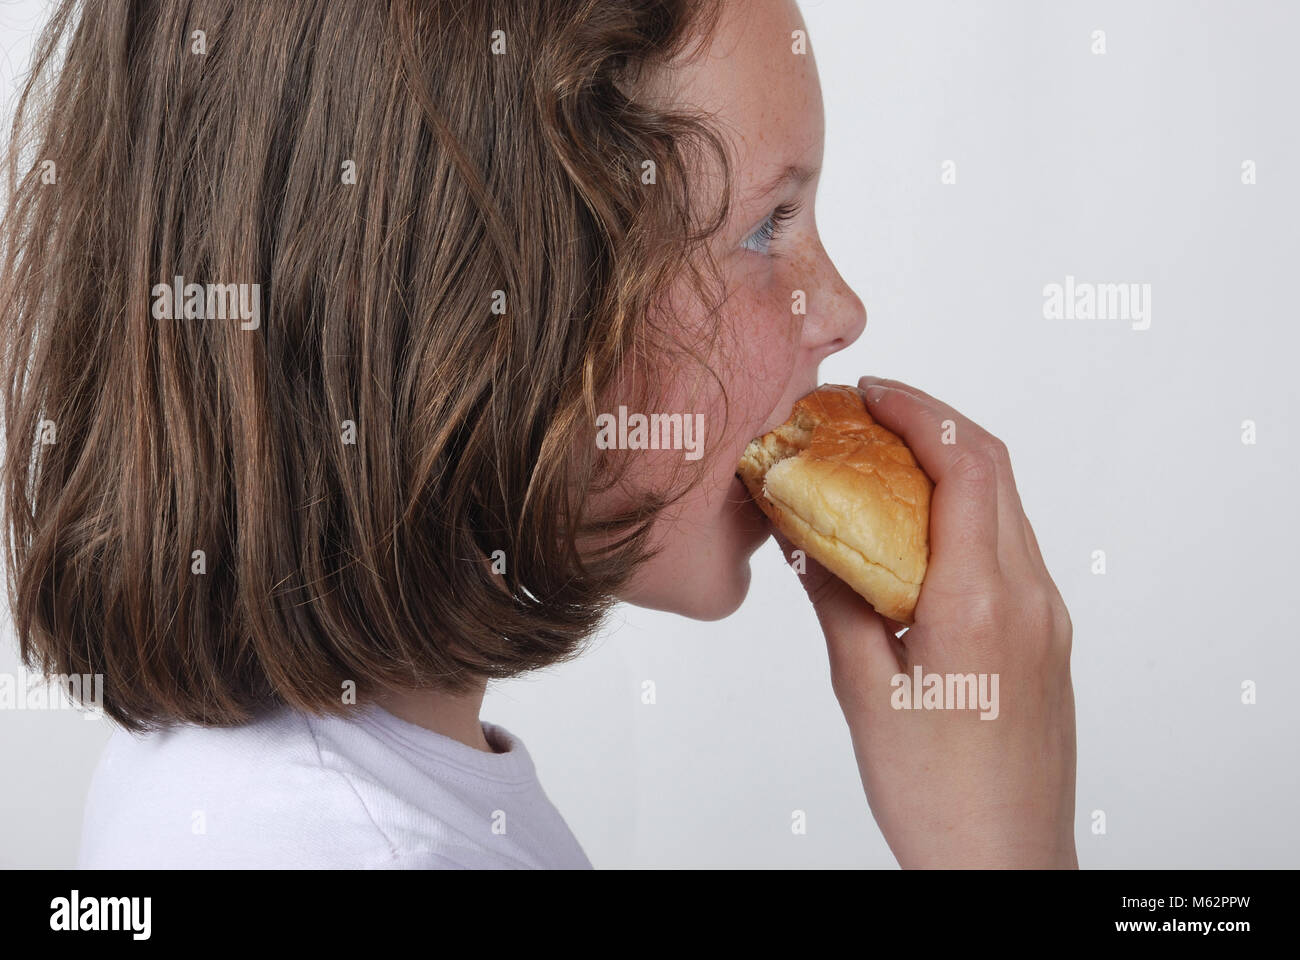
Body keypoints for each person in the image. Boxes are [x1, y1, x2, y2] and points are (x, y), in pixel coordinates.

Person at [0, 0, 1076, 868]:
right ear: (471, 310)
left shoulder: (289, 788)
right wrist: (1003, 853)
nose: (839, 310)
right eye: (764, 227)